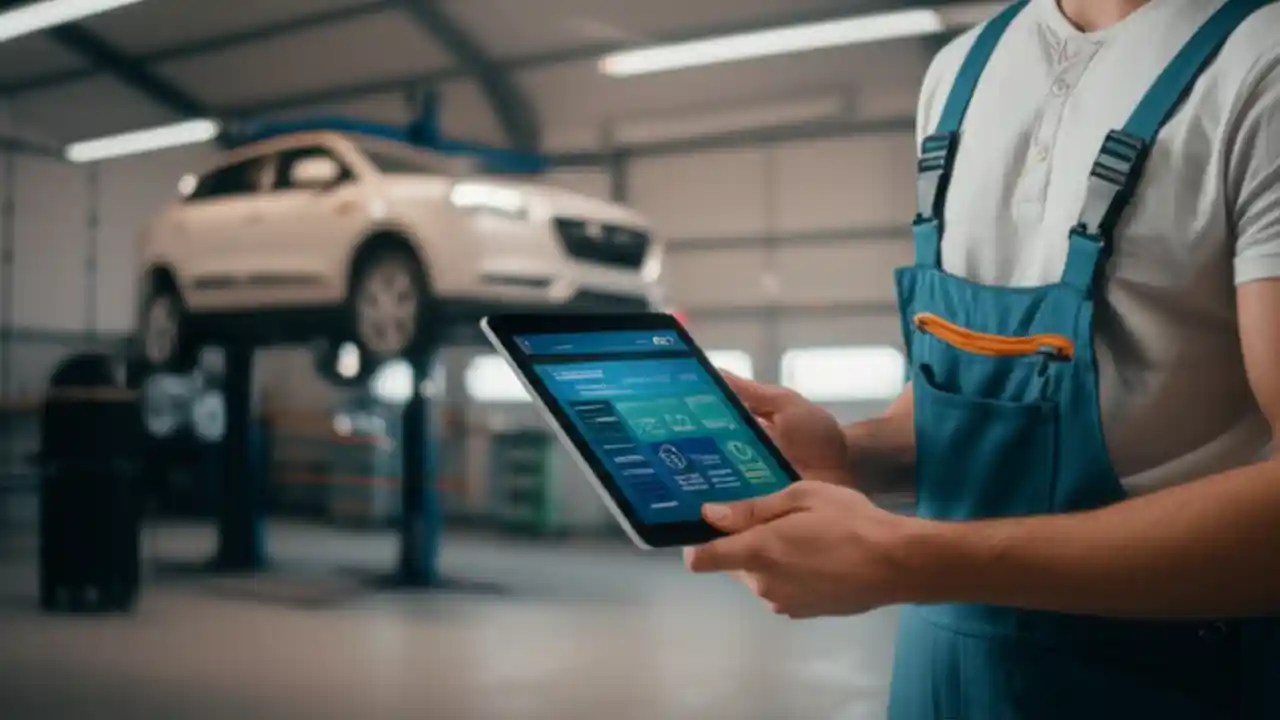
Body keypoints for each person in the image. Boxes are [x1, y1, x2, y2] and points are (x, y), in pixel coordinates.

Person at [683, 0, 1280, 717]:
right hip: (943, 679)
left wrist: (910, 559)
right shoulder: (959, 73)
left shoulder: (1260, 66)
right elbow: (968, 398)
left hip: (1173, 678)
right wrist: (850, 450)